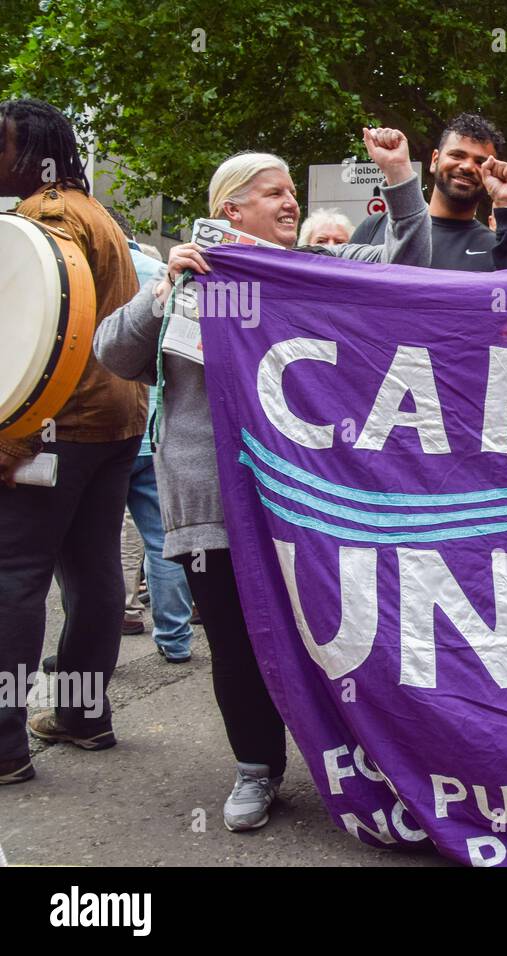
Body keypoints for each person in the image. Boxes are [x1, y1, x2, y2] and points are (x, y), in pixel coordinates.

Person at [92, 127, 430, 829]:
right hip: (214, 499)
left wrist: (398, 177)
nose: (289, 204)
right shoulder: (189, 279)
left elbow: (410, 264)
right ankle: (256, 768)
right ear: (231, 209)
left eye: (289, 194)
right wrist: (162, 292)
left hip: (310, 498)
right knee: (238, 644)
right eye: (274, 193)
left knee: (347, 636)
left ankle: (380, 766)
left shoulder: (315, 272)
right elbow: (113, 356)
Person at [0, 99, 147, 786]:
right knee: (92, 572)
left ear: (32, 150)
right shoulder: (93, 211)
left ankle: (4, 745)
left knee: (15, 577)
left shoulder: (48, 215)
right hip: (114, 420)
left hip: (57, 423)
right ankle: (84, 716)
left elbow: (42, 334)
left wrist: (14, 434)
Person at [106, 208, 195, 662]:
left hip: (104, 426)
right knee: (162, 541)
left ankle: (105, 633)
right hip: (157, 426)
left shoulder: (93, 267)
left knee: (100, 542)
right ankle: (175, 639)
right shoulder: (160, 267)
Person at [349, 113, 507, 271]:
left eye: (479, 162)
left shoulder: (498, 248)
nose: (467, 166)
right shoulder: (375, 227)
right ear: (434, 160)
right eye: (457, 155)